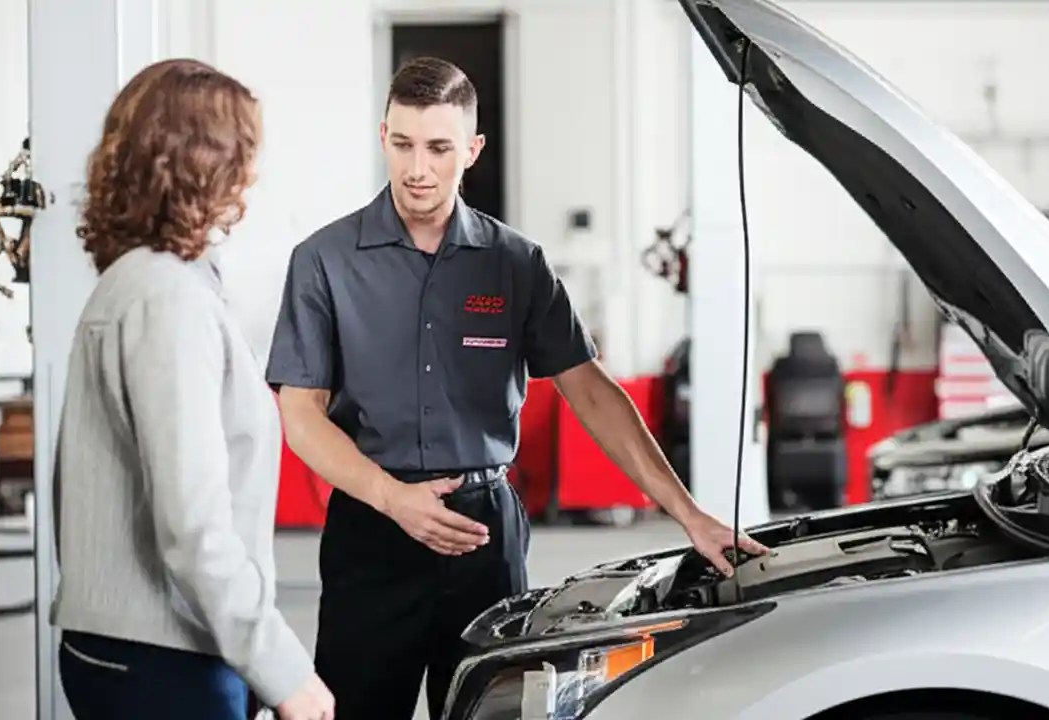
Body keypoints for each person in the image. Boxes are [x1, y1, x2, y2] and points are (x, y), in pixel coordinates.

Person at [267, 56, 768, 720]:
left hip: (485, 541)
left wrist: (689, 514)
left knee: (494, 712)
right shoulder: (323, 261)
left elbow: (591, 391)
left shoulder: (516, 264)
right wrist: (394, 499)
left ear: (471, 150)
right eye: (404, 144)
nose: (419, 168)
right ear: (382, 135)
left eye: (440, 148)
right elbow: (300, 414)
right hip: (372, 533)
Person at [48, 58, 334, 720]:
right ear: (204, 163)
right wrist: (283, 671)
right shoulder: (167, 298)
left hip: (129, 648)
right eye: (243, 154)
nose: (252, 175)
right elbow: (194, 524)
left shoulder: (138, 281)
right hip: (162, 653)